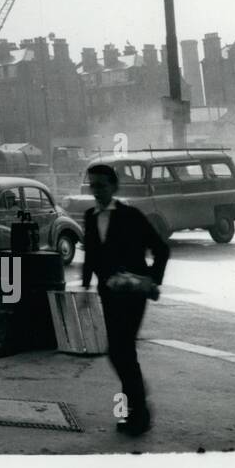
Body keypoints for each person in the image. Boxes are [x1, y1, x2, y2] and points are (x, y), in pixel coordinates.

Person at [81, 162, 170, 436]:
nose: (97, 191)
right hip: (109, 294)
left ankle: (138, 413)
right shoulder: (89, 216)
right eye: (93, 186)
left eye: (102, 186)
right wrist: (86, 287)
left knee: (122, 350)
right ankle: (136, 405)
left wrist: (151, 281)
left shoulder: (131, 215)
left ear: (114, 187)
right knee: (120, 352)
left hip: (133, 294)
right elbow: (92, 255)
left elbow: (161, 249)